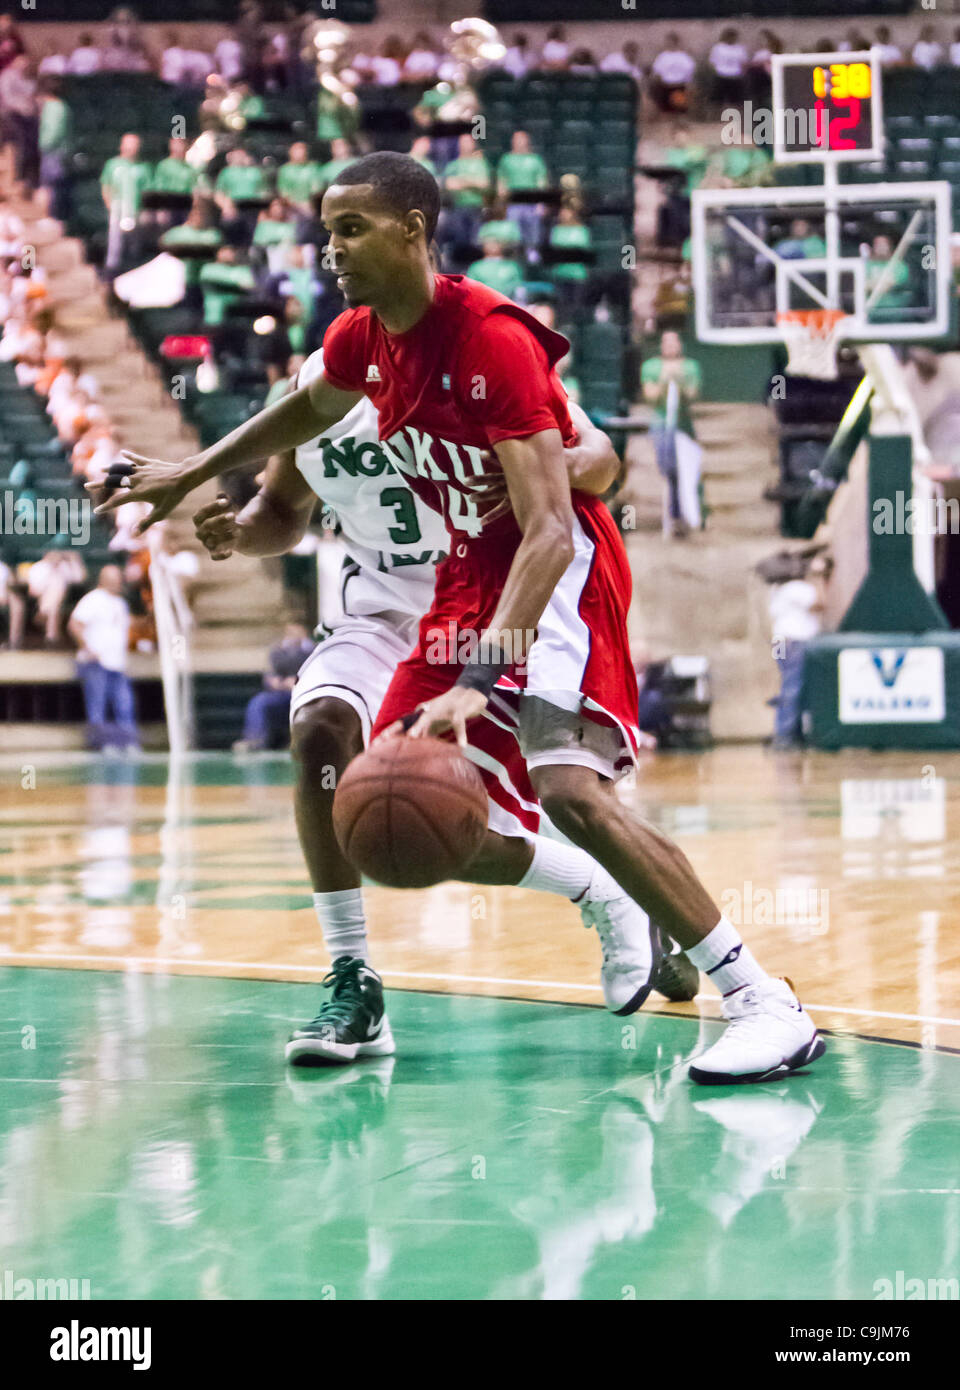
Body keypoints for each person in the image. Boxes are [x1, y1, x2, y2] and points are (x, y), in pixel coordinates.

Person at [98, 154, 825, 1086]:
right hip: (464, 579)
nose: (331, 249)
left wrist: (483, 681)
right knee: (386, 806)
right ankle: (597, 892)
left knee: (570, 791)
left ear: (412, 228)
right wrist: (193, 475)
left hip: (555, 570)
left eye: (350, 229)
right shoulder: (362, 339)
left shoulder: (492, 339)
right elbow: (297, 415)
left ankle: (764, 1001)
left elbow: (557, 526)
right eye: (325, 231)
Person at [68, 564, 139, 752]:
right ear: (104, 579)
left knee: (124, 705)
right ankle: (101, 744)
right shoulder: (92, 600)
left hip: (118, 662)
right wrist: (88, 649)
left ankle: (127, 743)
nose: (117, 582)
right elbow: (75, 624)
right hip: (96, 662)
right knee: (97, 705)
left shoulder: (121, 603)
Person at [642, 330, 703, 539]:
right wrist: (664, 379)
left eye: (673, 341)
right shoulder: (651, 367)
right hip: (661, 425)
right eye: (665, 341)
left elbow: (693, 394)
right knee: (667, 470)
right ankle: (671, 516)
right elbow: (650, 396)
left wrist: (680, 379)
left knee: (686, 470)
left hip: (684, 425)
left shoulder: (691, 366)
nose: (670, 346)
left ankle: (687, 515)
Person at [768, 555, 828, 749]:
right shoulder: (797, 587)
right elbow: (819, 604)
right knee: (793, 687)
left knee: (788, 683)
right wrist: (820, 578)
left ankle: (792, 732)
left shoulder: (777, 589)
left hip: (778, 641)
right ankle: (784, 736)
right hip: (794, 641)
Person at [234, 619, 315, 752]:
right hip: (281, 694)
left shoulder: (314, 650)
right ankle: (254, 740)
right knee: (259, 703)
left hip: (304, 693)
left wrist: (298, 682)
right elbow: (269, 674)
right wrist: (273, 681)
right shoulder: (277, 651)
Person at [101, 133, 152, 274]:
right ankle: (111, 273)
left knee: (134, 245)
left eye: (134, 144)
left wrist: (144, 211)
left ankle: (133, 270)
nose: (131, 148)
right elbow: (106, 186)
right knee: (115, 244)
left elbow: (147, 191)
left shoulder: (144, 167)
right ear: (122, 146)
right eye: (128, 144)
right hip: (117, 209)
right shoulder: (113, 164)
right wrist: (109, 205)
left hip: (136, 210)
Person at [496, 130, 549, 256]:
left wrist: (541, 203)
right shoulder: (506, 159)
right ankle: (512, 252)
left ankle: (532, 252)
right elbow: (501, 181)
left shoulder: (535, 160)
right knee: (512, 230)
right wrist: (501, 202)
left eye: (521, 139)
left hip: (531, 202)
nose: (519, 142)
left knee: (532, 230)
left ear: (527, 141)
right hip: (513, 202)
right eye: (516, 139)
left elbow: (541, 181)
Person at [0, 53, 39, 191]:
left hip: (27, 116)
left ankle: (31, 178)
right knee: (21, 142)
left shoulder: (28, 77)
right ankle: (19, 177)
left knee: (34, 141)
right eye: (22, 63)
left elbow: (32, 95)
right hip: (10, 115)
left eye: (26, 64)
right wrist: (24, 107)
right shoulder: (7, 76)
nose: (24, 66)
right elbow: (8, 99)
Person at [649, 34, 696, 114]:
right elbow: (657, 72)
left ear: (676, 43)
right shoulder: (662, 56)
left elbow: (689, 71)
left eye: (672, 42)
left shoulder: (683, 56)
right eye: (669, 42)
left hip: (679, 86)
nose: (671, 44)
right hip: (665, 86)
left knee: (681, 100)